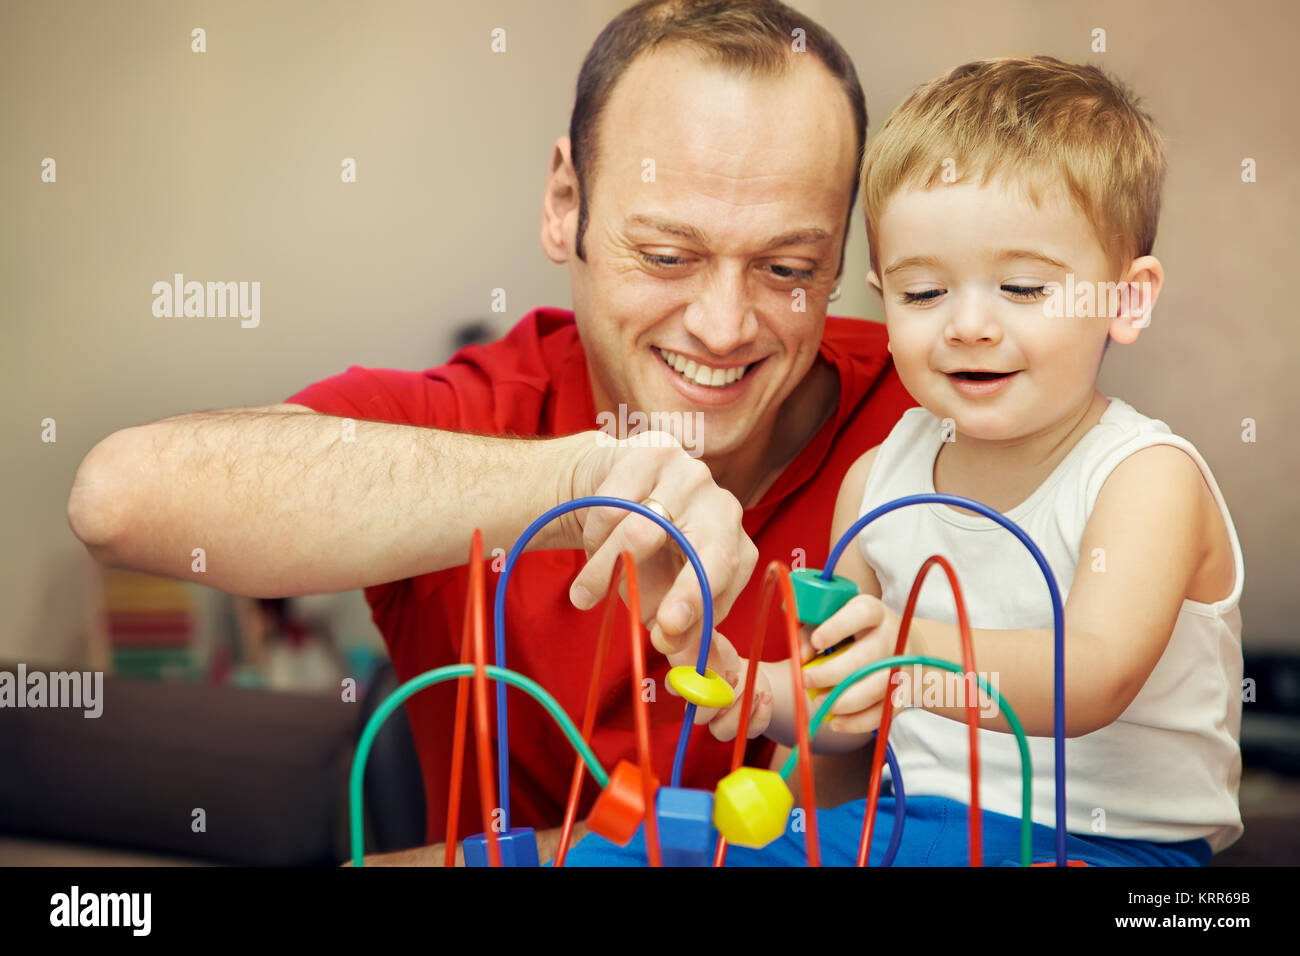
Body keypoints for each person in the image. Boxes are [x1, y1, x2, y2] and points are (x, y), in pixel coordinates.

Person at [65, 0, 916, 862]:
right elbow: (117, 499)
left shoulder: (938, 413)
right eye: (667, 255)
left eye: (787, 269)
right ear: (564, 203)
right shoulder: (483, 414)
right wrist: (569, 487)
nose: (725, 325)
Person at [564, 55, 1244, 866]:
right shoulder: (878, 480)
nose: (968, 326)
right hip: (901, 826)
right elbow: (840, 702)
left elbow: (1092, 679)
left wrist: (906, 648)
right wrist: (753, 689)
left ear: (1126, 300)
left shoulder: (1144, 476)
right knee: (610, 849)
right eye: (924, 294)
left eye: (1023, 289)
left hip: (1099, 846)